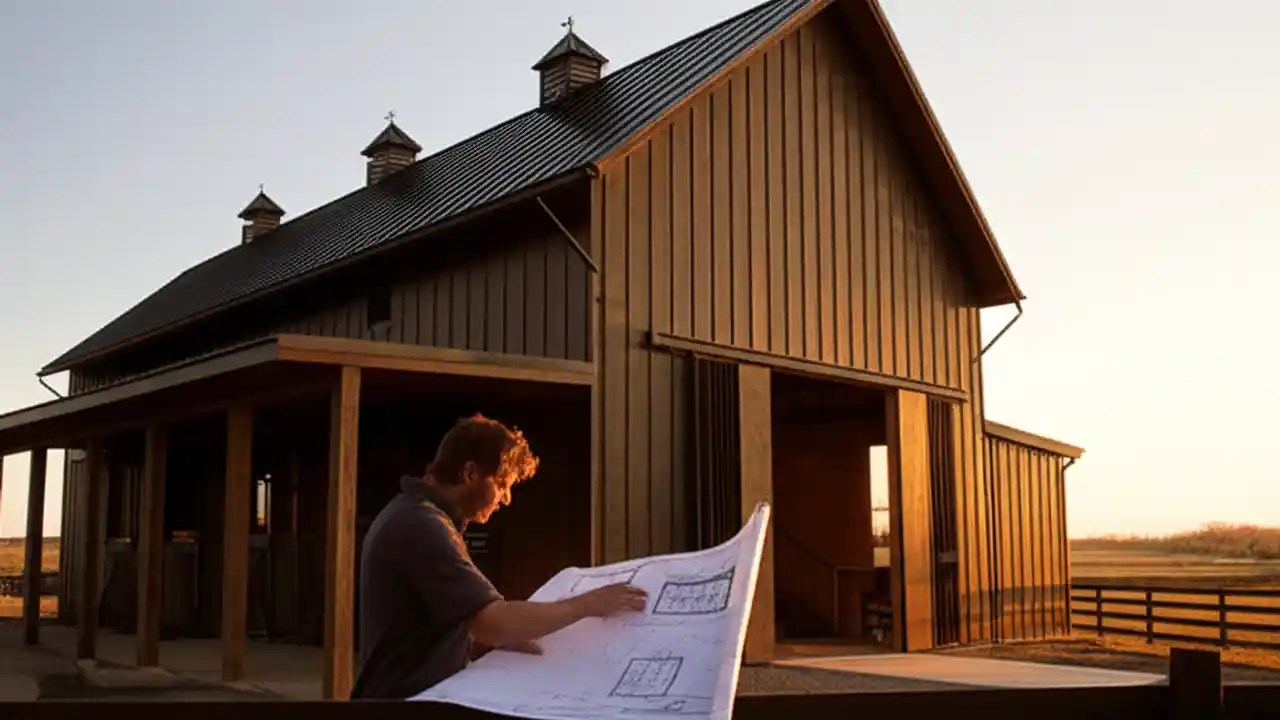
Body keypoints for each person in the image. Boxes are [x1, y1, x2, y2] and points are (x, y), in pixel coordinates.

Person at [351, 413, 648, 699]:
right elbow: (492, 622)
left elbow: (419, 626)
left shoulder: (412, 514)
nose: (505, 499)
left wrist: (479, 647)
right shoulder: (423, 526)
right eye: (502, 484)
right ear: (469, 473)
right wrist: (588, 604)